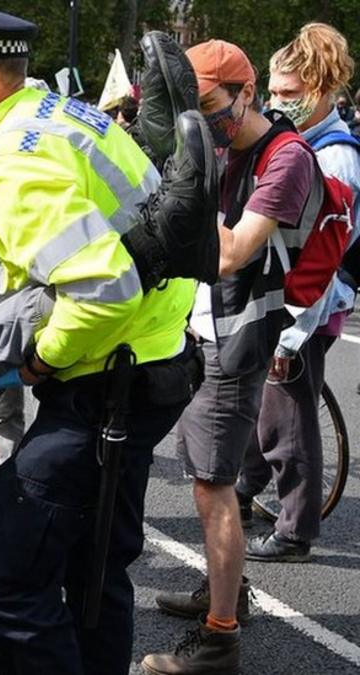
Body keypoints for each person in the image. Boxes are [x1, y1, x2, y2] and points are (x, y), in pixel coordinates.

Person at [0, 6, 208, 673]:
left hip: (102, 384)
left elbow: (103, 287)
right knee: (96, 567)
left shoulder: (12, 163)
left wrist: (39, 359)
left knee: (9, 580)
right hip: (149, 360)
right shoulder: (60, 116)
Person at [144, 39, 322, 674]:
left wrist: (184, 184)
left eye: (210, 105)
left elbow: (229, 253)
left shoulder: (287, 155)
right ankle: (229, 592)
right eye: (189, 107)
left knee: (214, 486)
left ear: (247, 93)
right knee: (202, 474)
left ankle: (220, 639)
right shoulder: (214, 143)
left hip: (240, 332)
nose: (201, 119)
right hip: (201, 327)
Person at [234, 23, 360, 564]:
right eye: (275, 93)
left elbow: (329, 250)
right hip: (287, 298)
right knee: (271, 406)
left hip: (307, 304)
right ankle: (243, 490)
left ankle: (294, 530)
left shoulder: (333, 155)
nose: (278, 103)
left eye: (290, 93)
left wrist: (294, 326)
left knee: (289, 416)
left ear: (324, 89)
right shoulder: (301, 143)